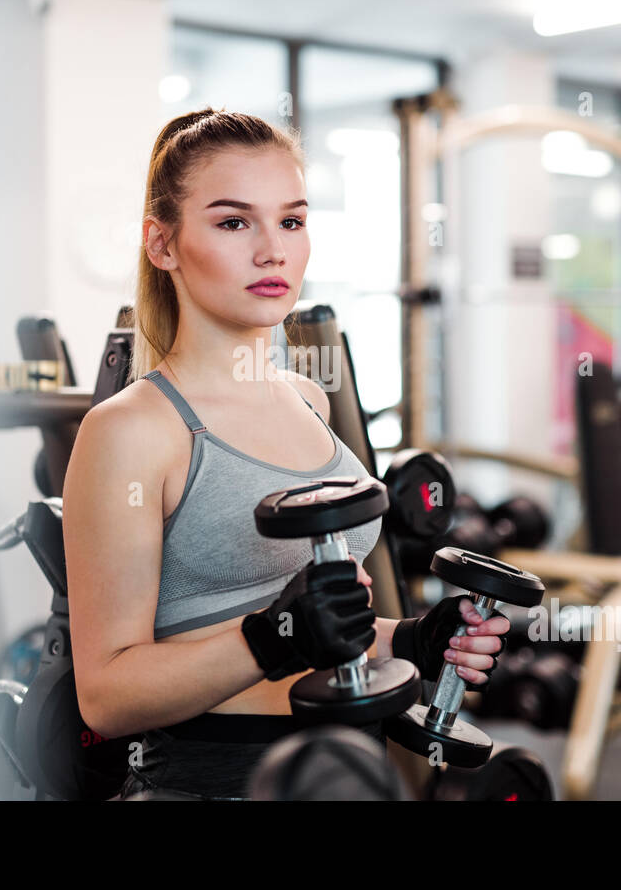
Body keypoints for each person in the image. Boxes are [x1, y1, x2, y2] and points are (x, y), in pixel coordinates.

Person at [62, 107, 509, 800]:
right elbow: (107, 696)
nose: (273, 250)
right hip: (218, 782)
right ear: (163, 244)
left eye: (292, 221)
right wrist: (271, 639)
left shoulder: (307, 399)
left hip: (350, 768)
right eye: (234, 222)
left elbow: (326, 623)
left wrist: (411, 640)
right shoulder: (132, 430)